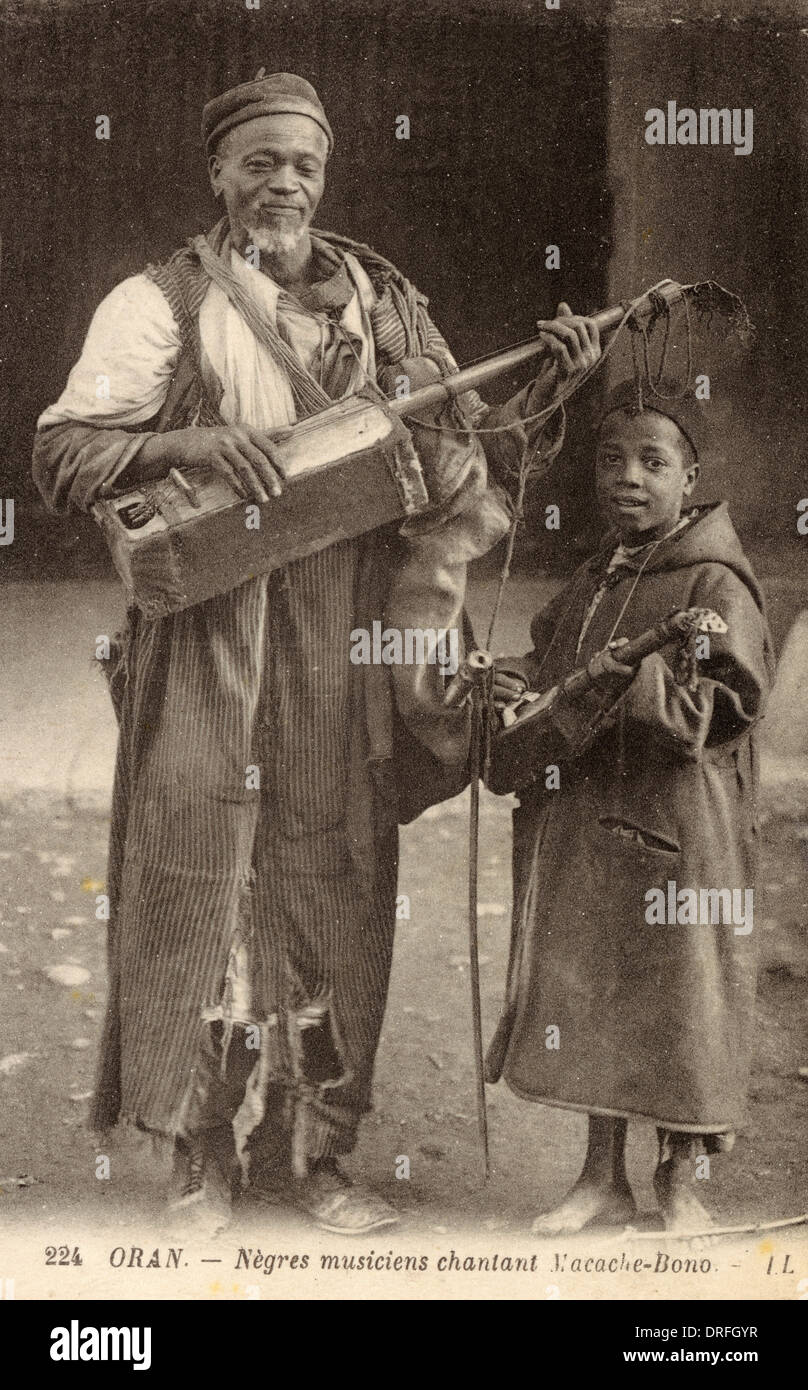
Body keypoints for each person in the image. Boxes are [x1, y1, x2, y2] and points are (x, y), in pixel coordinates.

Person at [32, 69, 600, 1236]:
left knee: (335, 881)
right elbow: (63, 454)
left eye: (303, 162)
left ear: (324, 172)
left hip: (343, 636)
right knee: (200, 873)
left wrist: (555, 382)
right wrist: (188, 439)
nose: (282, 181)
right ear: (219, 174)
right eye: (259, 161)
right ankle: (197, 1150)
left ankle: (316, 1150)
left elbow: (460, 444)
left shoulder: (384, 306)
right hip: (204, 637)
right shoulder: (157, 304)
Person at [490, 378, 775, 1235]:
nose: (629, 478)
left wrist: (629, 684)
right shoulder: (592, 577)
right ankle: (600, 1177)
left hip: (684, 832)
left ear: (692, 476)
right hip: (589, 827)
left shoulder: (715, 584)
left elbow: (726, 703)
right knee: (592, 994)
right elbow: (549, 665)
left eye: (654, 461)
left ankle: (683, 1183)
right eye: (611, 460)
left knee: (683, 996)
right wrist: (517, 689)